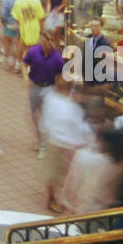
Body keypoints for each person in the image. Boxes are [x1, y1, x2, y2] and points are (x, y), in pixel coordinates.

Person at [38, 76, 92, 212]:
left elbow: (45, 123)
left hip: (55, 142)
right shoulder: (71, 106)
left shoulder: (52, 99)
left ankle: (54, 199)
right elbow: (79, 128)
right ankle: (55, 200)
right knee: (62, 175)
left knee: (54, 174)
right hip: (65, 145)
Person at [23, 30, 64, 151]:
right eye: (48, 40)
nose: (50, 42)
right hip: (34, 87)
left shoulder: (57, 58)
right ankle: (41, 140)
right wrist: (25, 77)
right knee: (33, 115)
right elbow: (24, 63)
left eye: (52, 40)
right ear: (42, 39)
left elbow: (60, 77)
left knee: (46, 116)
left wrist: (59, 92)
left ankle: (45, 144)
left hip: (49, 89)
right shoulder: (33, 52)